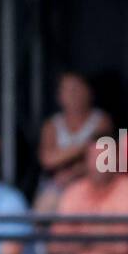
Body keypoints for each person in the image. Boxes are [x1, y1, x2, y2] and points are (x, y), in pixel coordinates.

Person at [37, 71, 112, 205]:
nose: (73, 95)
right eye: (67, 90)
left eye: (77, 88)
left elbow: (102, 157)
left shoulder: (101, 120)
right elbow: (47, 159)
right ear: (59, 96)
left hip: (91, 179)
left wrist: (72, 171)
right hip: (58, 183)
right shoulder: (52, 125)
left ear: (89, 92)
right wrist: (84, 147)